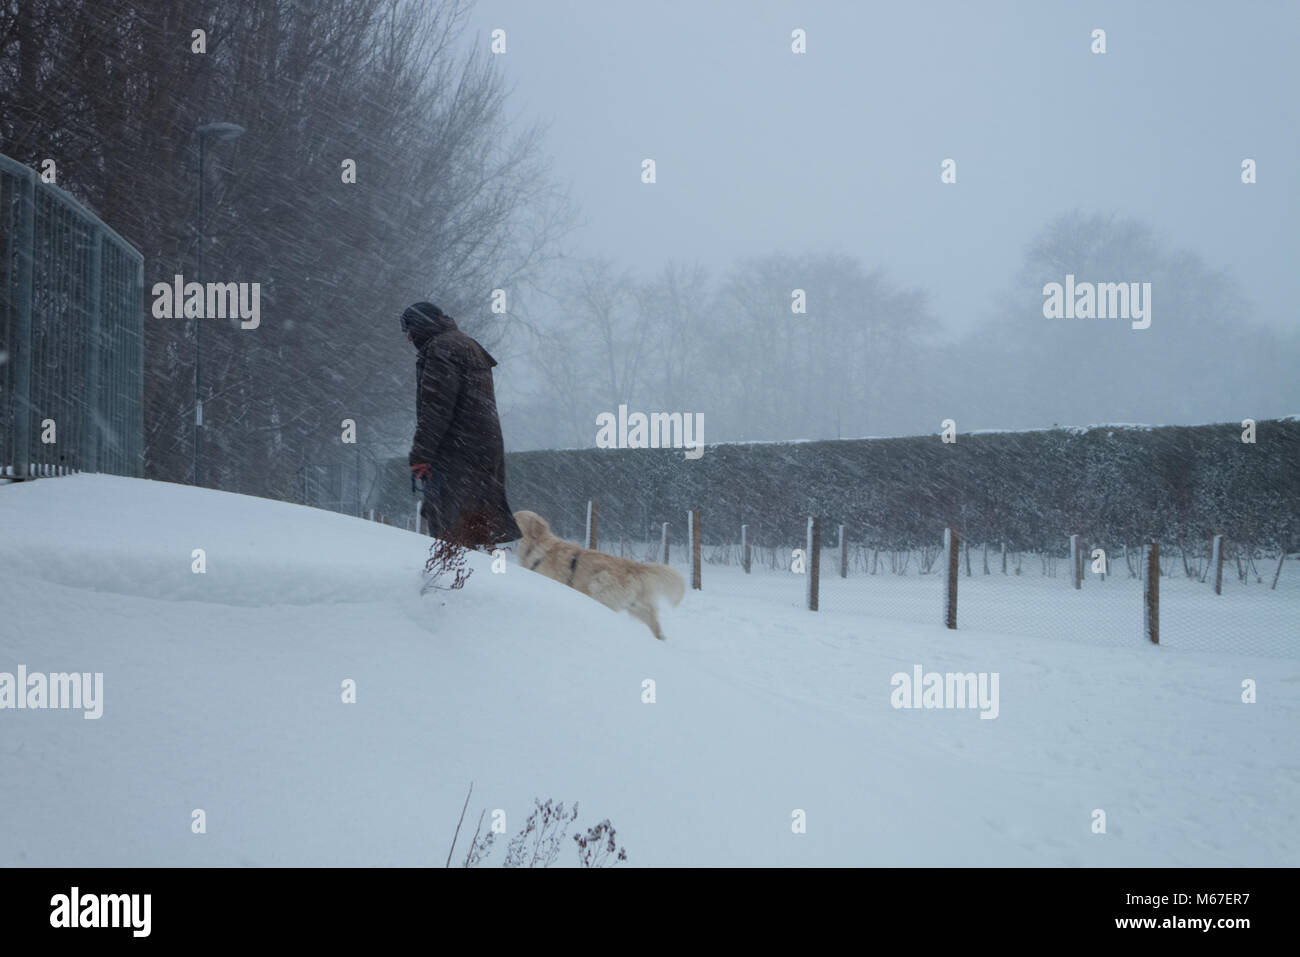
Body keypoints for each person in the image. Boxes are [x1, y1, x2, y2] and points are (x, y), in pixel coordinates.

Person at [402, 301, 522, 548]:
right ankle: (474, 582)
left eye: (409, 331)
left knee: (451, 534)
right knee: (475, 529)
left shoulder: (439, 349)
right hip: (484, 451)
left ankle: (451, 584)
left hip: (456, 455)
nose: (408, 339)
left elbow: (436, 408)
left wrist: (421, 455)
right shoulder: (467, 344)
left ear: (420, 325)